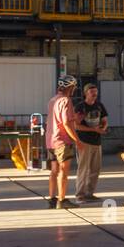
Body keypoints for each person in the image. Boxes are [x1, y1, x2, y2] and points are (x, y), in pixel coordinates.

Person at [46, 74, 84, 209]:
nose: (74, 89)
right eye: (73, 87)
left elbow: (57, 119)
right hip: (62, 141)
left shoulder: (52, 100)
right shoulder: (66, 100)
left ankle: (52, 199)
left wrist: (75, 118)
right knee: (64, 171)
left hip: (51, 140)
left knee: (54, 170)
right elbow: (66, 123)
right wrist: (77, 140)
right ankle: (62, 200)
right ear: (70, 87)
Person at [73, 82, 108, 203]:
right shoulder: (80, 107)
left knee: (95, 169)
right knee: (83, 169)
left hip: (97, 142)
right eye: (91, 92)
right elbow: (76, 126)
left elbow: (104, 119)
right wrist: (93, 129)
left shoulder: (99, 106)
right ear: (85, 93)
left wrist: (103, 128)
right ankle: (80, 195)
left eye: (96, 92)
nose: (94, 94)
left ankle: (89, 193)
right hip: (84, 141)